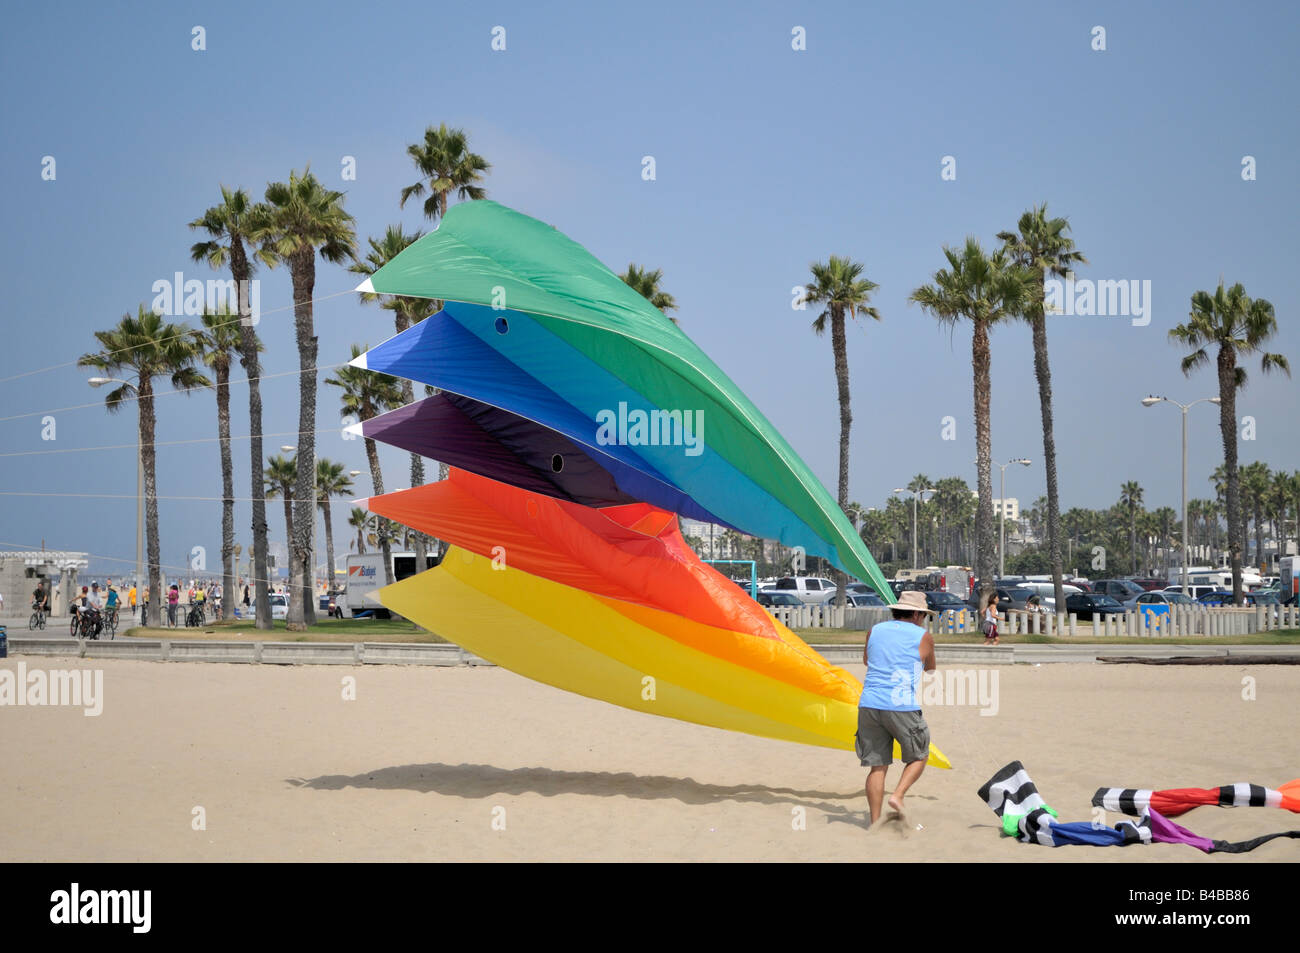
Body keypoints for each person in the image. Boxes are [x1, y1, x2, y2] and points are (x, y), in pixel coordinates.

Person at [857, 589, 936, 827]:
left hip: (869, 703)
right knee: (920, 754)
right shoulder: (923, 635)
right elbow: (930, 668)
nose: (923, 619)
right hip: (900, 704)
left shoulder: (875, 630)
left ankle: (874, 822)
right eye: (922, 615)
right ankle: (898, 795)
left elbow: (867, 661)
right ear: (915, 614)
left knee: (877, 767)